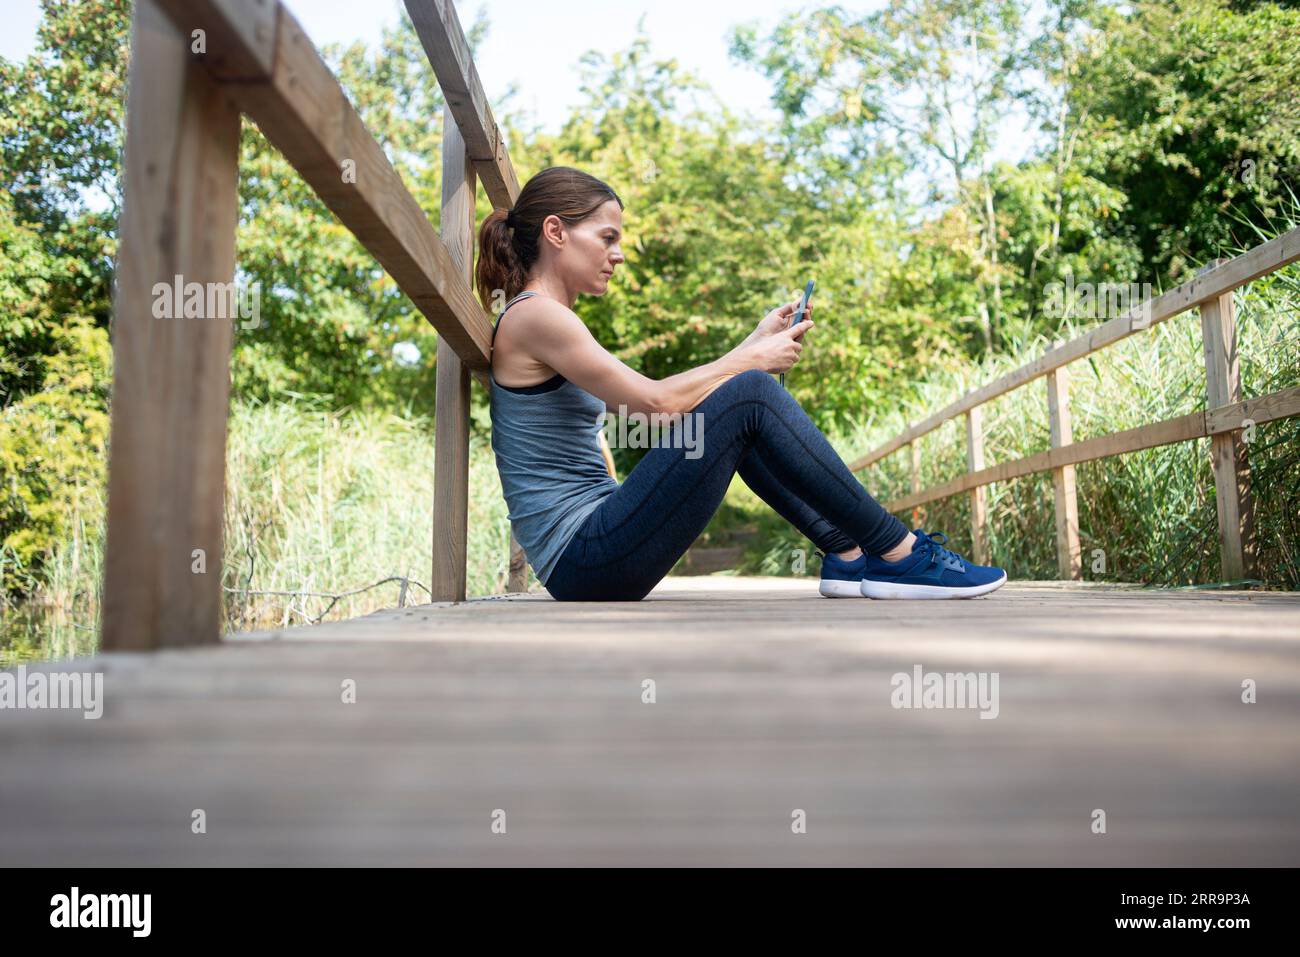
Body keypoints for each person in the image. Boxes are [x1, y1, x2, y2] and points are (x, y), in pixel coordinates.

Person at [475, 166, 1007, 602]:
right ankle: (900, 553)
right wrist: (751, 361)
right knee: (749, 394)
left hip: (594, 553)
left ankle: (846, 554)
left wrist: (749, 347)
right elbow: (654, 403)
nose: (618, 254)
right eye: (607, 237)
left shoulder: (544, 317)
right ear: (555, 232)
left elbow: (676, 406)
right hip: (585, 557)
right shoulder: (536, 318)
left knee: (742, 403)